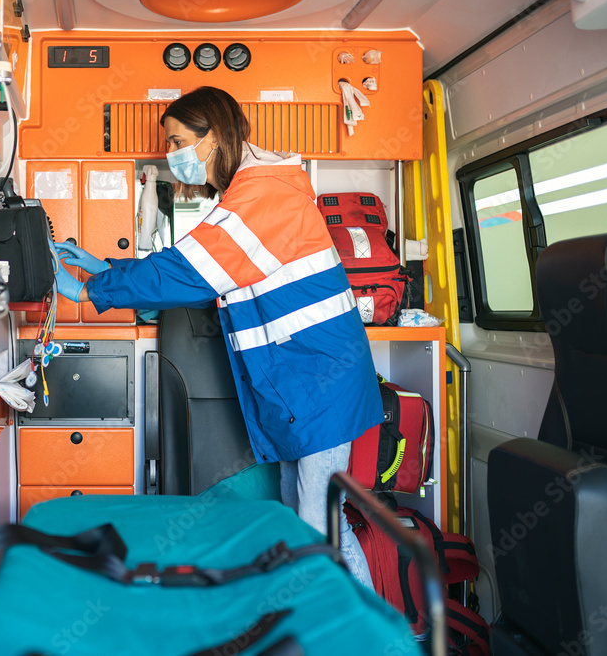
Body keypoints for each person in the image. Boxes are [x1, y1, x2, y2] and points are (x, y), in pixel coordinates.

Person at [53, 86, 382, 588]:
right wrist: (110, 269)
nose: (171, 154)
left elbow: (191, 271)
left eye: (178, 140)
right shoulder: (255, 190)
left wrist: (88, 290)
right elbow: (209, 273)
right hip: (305, 382)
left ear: (215, 136)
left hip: (318, 384)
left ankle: (365, 635)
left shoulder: (263, 195)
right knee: (300, 514)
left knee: (320, 527)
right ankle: (332, 624)